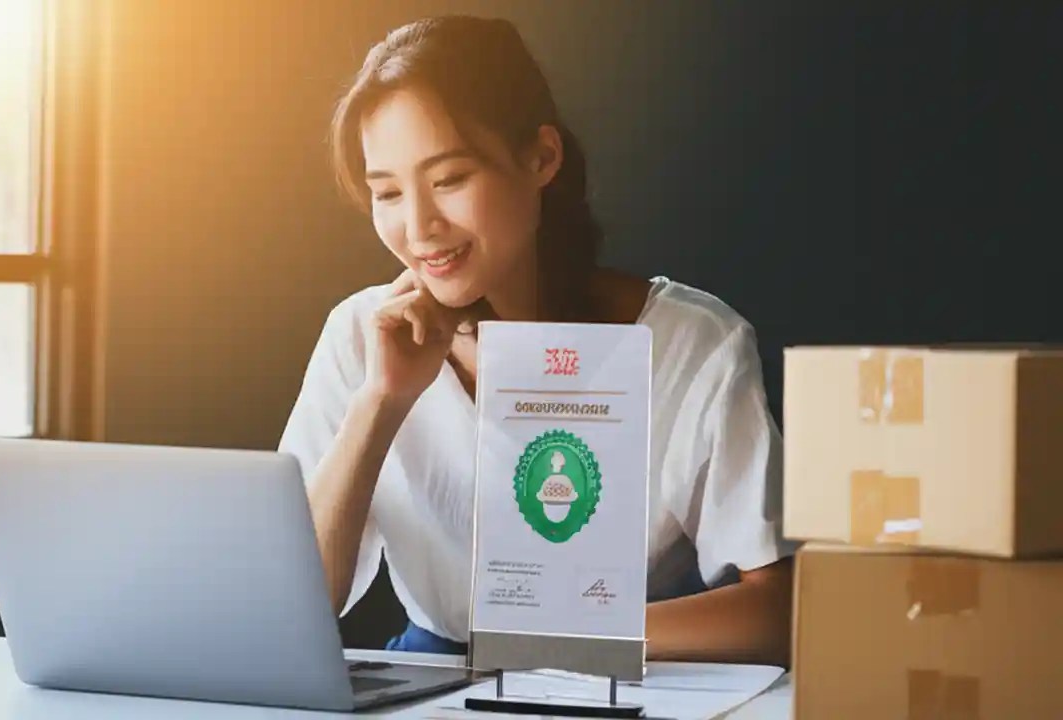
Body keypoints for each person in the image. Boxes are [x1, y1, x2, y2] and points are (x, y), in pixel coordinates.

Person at [280, 15, 795, 666]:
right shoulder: (362, 335)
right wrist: (382, 398)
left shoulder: (692, 343)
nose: (419, 227)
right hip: (436, 679)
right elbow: (293, 605)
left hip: (624, 675)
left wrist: (564, 637)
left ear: (541, 157)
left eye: (449, 180)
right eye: (386, 193)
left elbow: (778, 609)